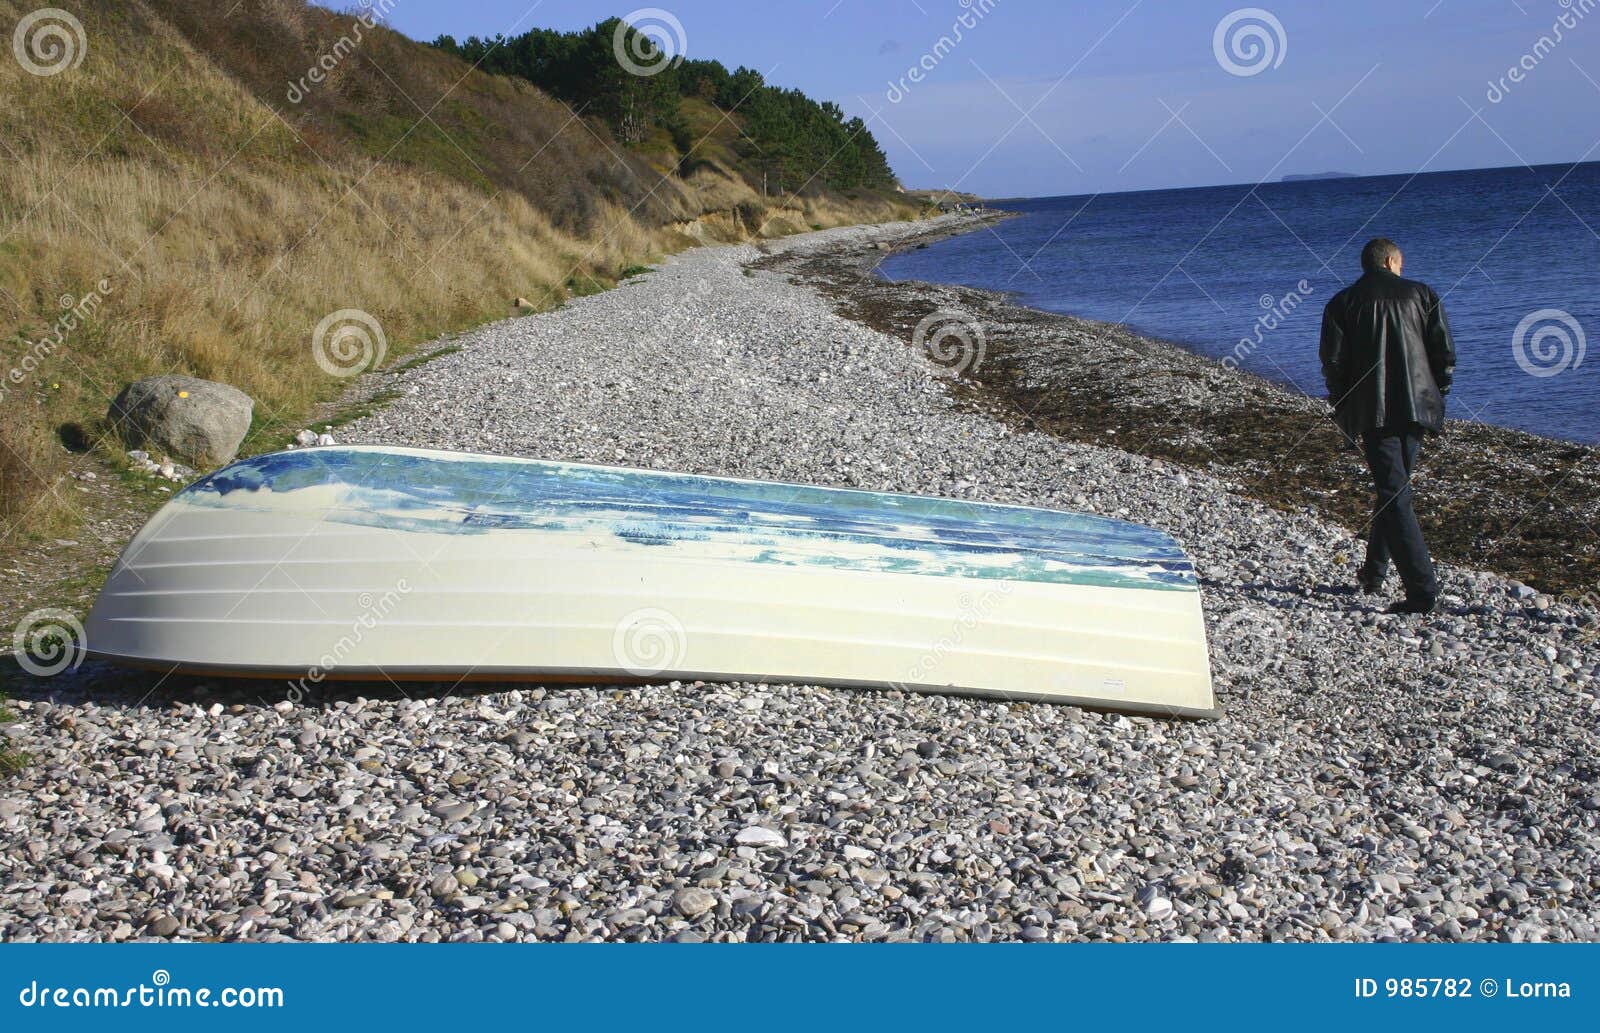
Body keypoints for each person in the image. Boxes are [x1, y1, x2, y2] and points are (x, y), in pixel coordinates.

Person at [1319, 237, 1457, 615]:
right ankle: (1378, 575)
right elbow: (1444, 353)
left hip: (1373, 410)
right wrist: (1437, 393)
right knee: (1395, 490)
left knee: (1394, 492)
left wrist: (1342, 401)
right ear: (1393, 261)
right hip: (1416, 406)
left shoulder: (1342, 303)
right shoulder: (1421, 293)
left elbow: (1333, 362)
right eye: (1401, 263)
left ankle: (1421, 592)